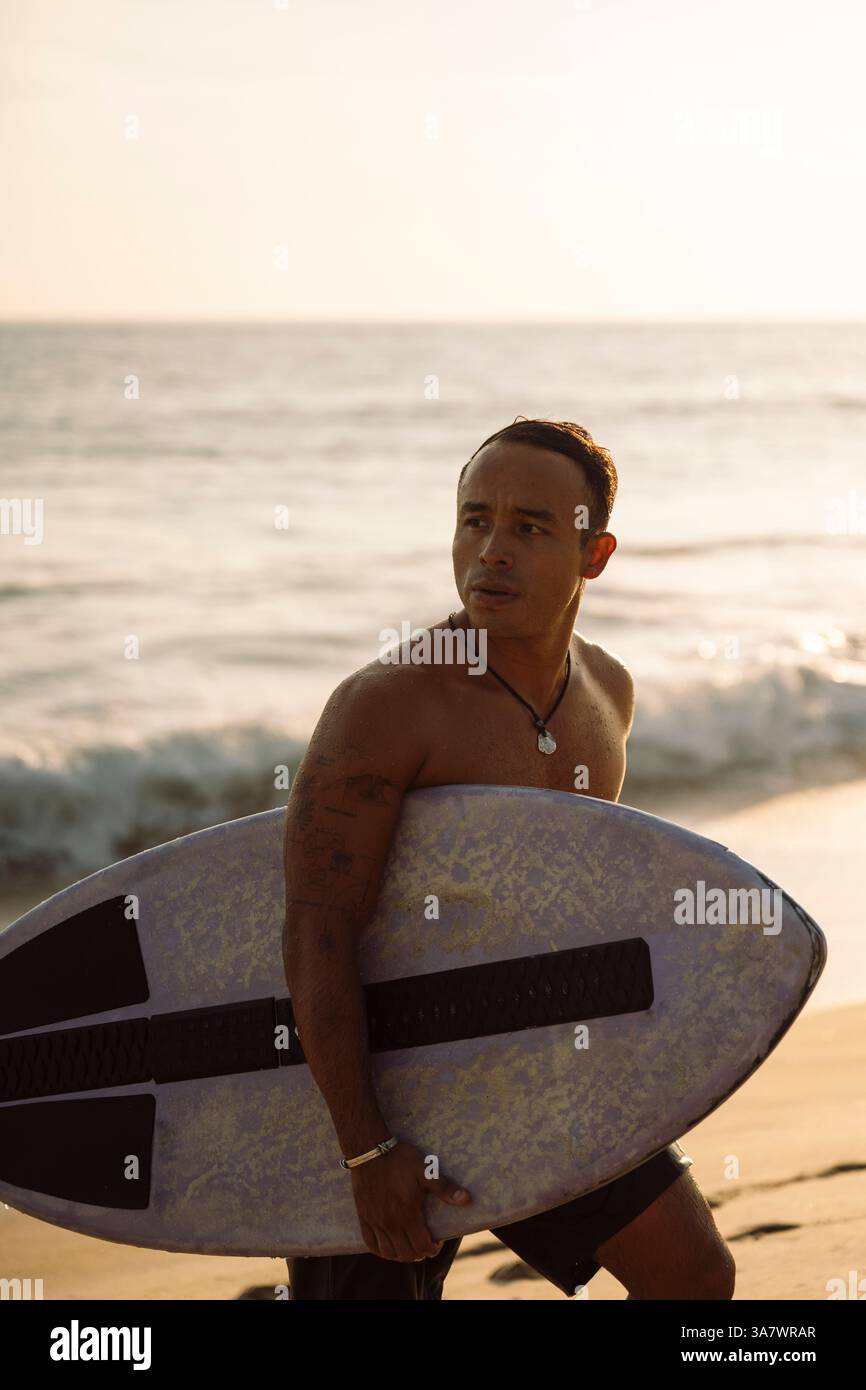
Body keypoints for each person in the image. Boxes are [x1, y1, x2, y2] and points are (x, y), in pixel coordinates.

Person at [281, 417, 736, 1300]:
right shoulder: (388, 704)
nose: (491, 550)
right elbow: (315, 927)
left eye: (529, 527)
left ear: (593, 553)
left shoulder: (608, 692)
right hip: (381, 1088)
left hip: (534, 1068)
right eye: (473, 519)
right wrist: (366, 1148)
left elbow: (572, 904)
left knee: (694, 1280)